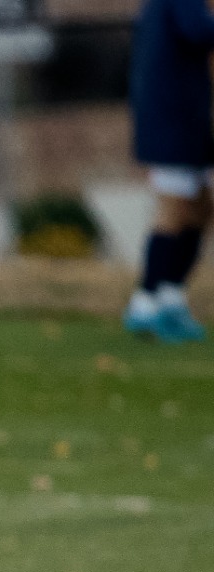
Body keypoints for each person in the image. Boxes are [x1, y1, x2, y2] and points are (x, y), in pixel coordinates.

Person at [124, 0, 214, 342]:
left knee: (200, 207)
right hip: (171, 122)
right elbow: (200, 31)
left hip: (190, 122)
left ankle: (171, 296)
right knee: (173, 208)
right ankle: (145, 303)